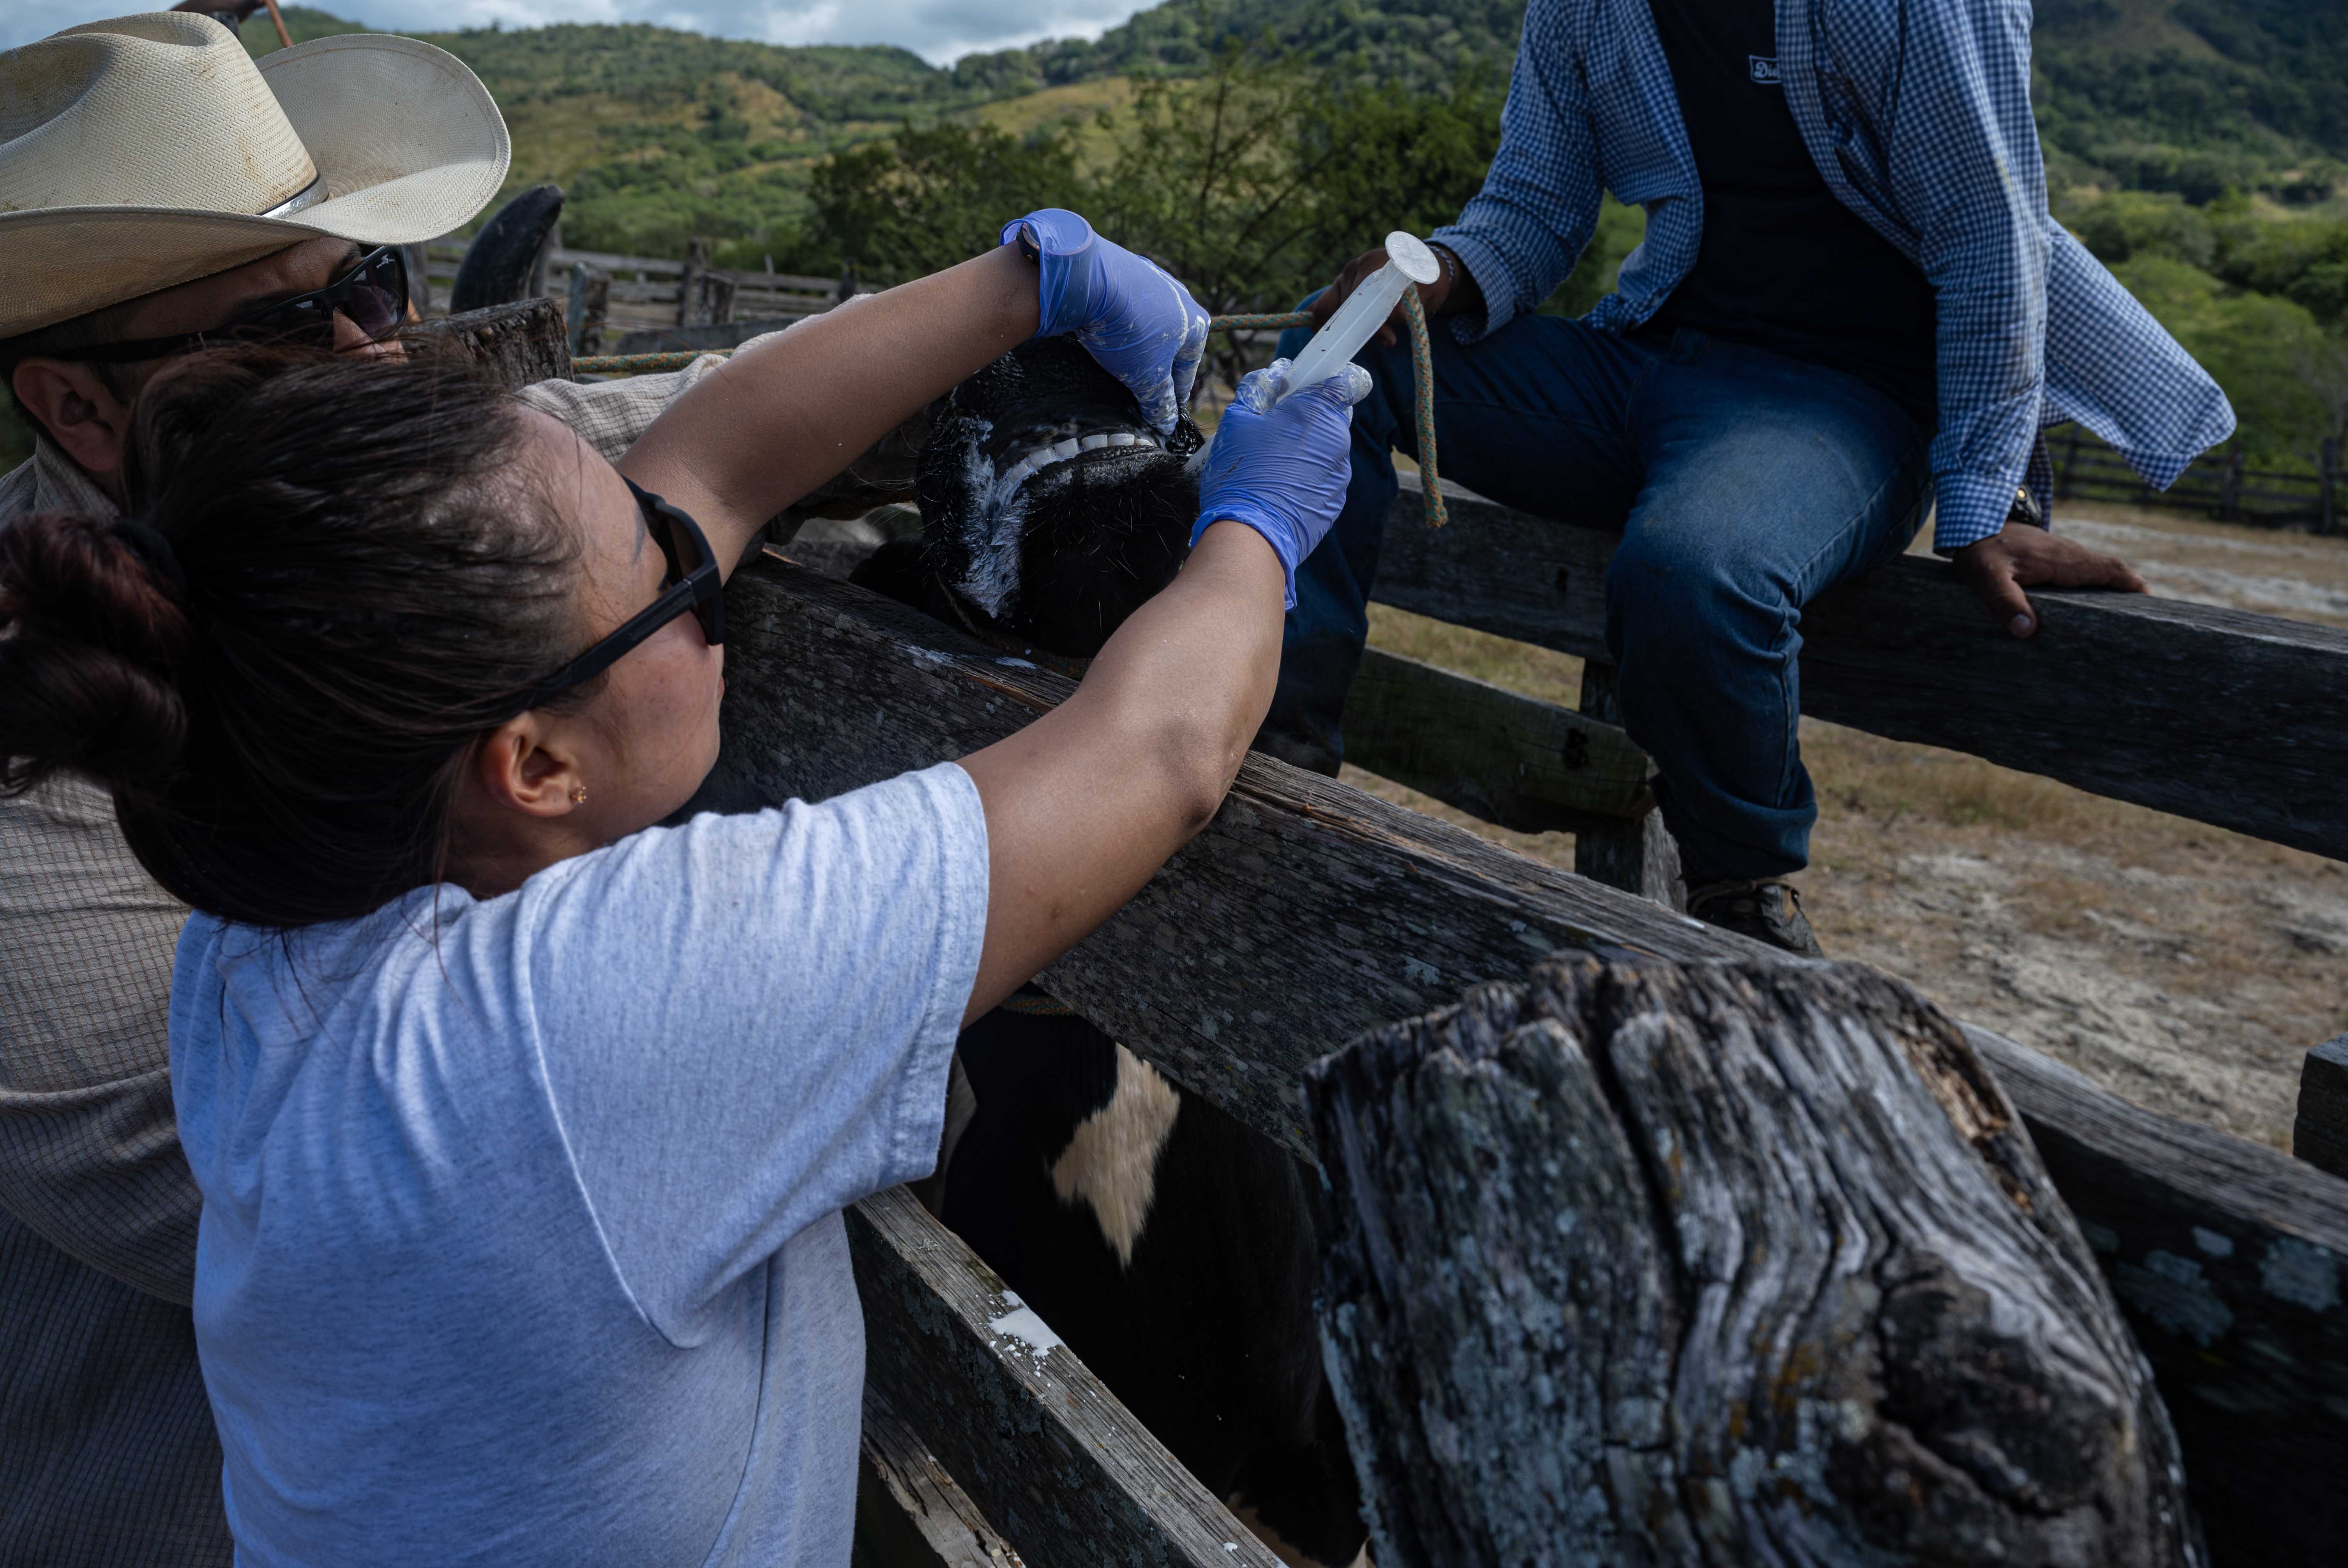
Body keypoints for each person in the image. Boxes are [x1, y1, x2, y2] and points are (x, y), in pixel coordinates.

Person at [0, 198, 1355, 1566]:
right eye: (669, 582)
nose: (702, 561)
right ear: (533, 765)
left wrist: (1024, 285)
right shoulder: (579, 1021)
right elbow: (1161, 748)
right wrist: (1253, 523)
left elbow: (714, 461)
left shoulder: (260, 920)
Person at [0, 15, 745, 1560]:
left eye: (374, 287)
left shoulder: (342, 517)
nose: (368, 357)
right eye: (281, 328)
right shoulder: (29, 734)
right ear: (76, 411)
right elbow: (310, 1210)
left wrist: (981, 329)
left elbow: (600, 440)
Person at [1276, 0, 2236, 955]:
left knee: (1694, 570)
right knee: (1333, 364)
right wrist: (1441, 270)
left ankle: (1743, 902)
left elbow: (1990, 237)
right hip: (1650, 359)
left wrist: (1990, 499)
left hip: (1842, 401)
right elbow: (1535, 201)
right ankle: (1276, 758)